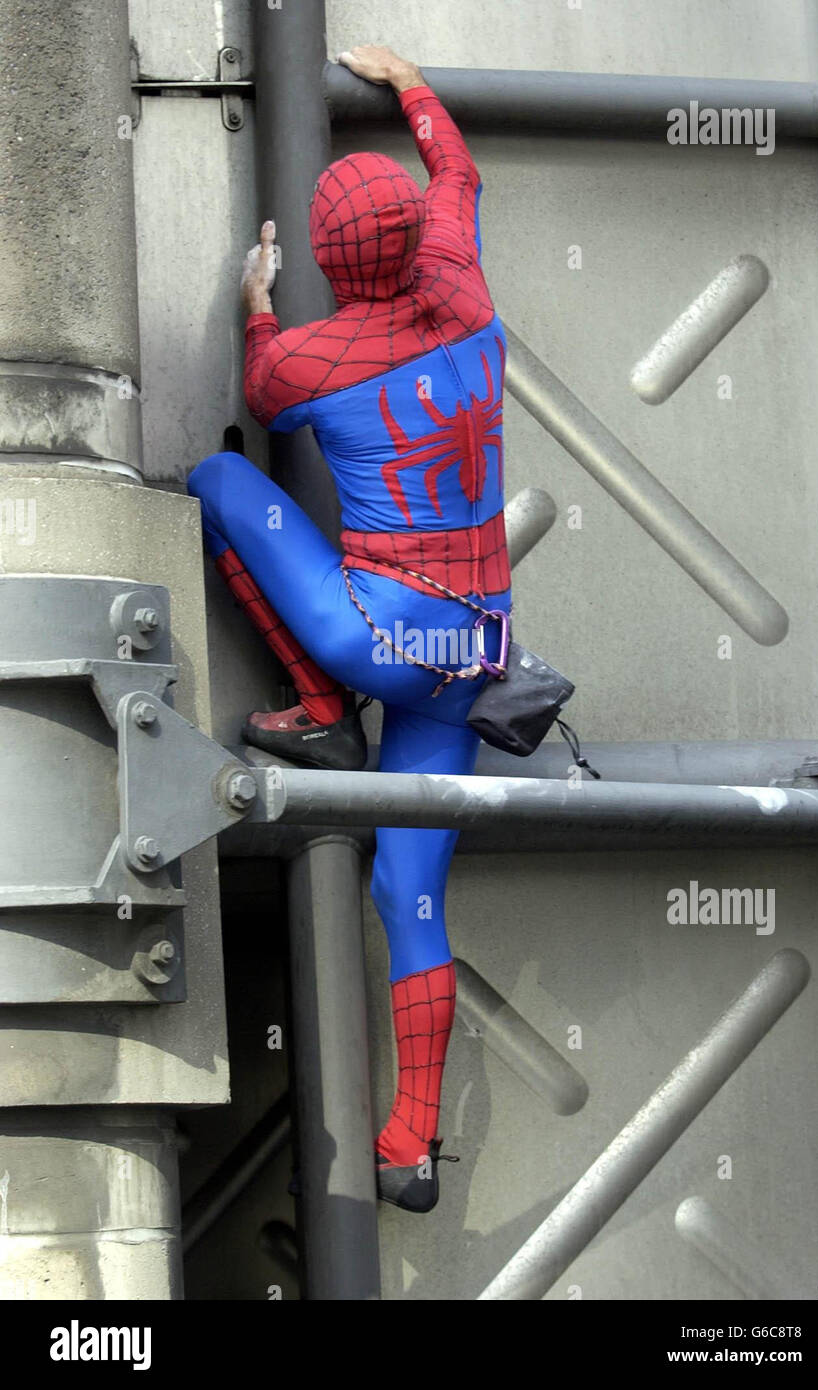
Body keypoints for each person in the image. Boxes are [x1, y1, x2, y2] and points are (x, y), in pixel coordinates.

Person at [187, 44, 511, 1212]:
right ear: (420, 236)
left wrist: (254, 299)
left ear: (329, 260)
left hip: (381, 641)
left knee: (218, 485)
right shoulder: (466, 286)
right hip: (472, 660)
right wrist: (415, 86)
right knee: (410, 891)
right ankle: (412, 1145)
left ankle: (320, 716)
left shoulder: (311, 362)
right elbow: (460, 180)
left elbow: (261, 377)